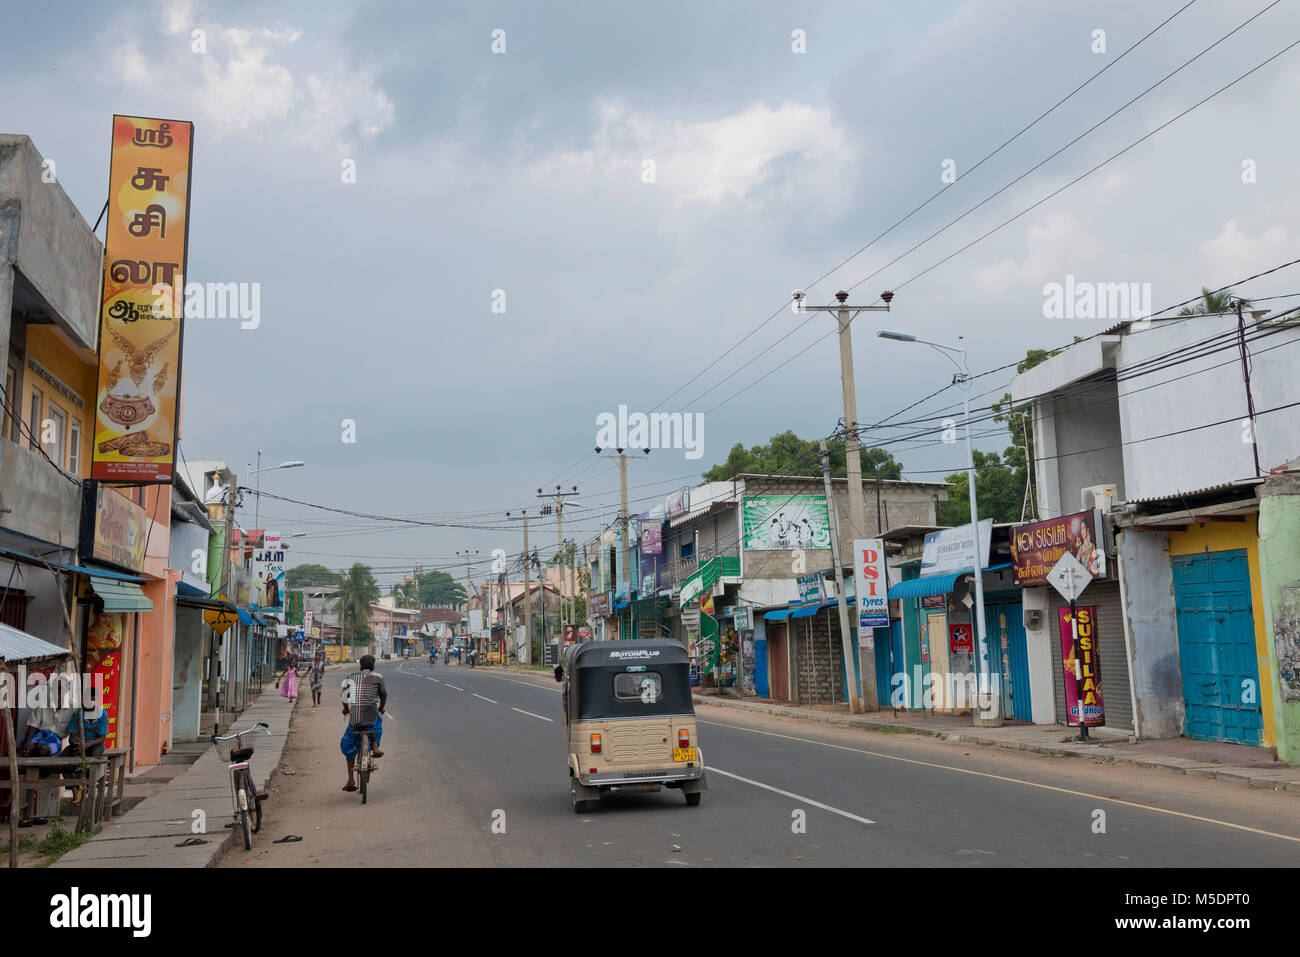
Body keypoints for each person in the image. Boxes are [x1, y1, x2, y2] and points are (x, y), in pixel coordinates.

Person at [340, 655, 387, 792]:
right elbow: (383, 696)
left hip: (355, 718)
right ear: (373, 666)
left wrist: (345, 709)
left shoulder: (351, 676)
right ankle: (375, 745)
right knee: (378, 722)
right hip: (371, 716)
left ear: (360, 666)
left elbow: (344, 696)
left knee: (349, 745)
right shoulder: (379, 676)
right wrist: (381, 709)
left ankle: (350, 779)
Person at [65, 691, 108, 757]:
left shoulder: (103, 714)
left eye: (93, 699)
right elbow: (71, 738)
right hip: (78, 745)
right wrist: (77, 744)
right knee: (64, 755)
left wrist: (87, 745)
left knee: (93, 756)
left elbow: (102, 738)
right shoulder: (77, 714)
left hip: (95, 745)